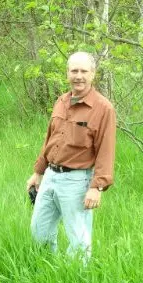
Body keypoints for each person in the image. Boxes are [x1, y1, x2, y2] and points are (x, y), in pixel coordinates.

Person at [26, 51, 116, 261]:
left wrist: (97, 187)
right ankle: (46, 273)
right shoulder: (61, 101)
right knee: (39, 231)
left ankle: (74, 282)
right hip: (50, 177)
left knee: (78, 240)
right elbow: (51, 139)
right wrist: (38, 173)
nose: (79, 76)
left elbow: (106, 150)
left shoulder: (103, 109)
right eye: (74, 70)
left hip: (77, 181)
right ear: (67, 73)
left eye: (84, 71)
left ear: (93, 74)